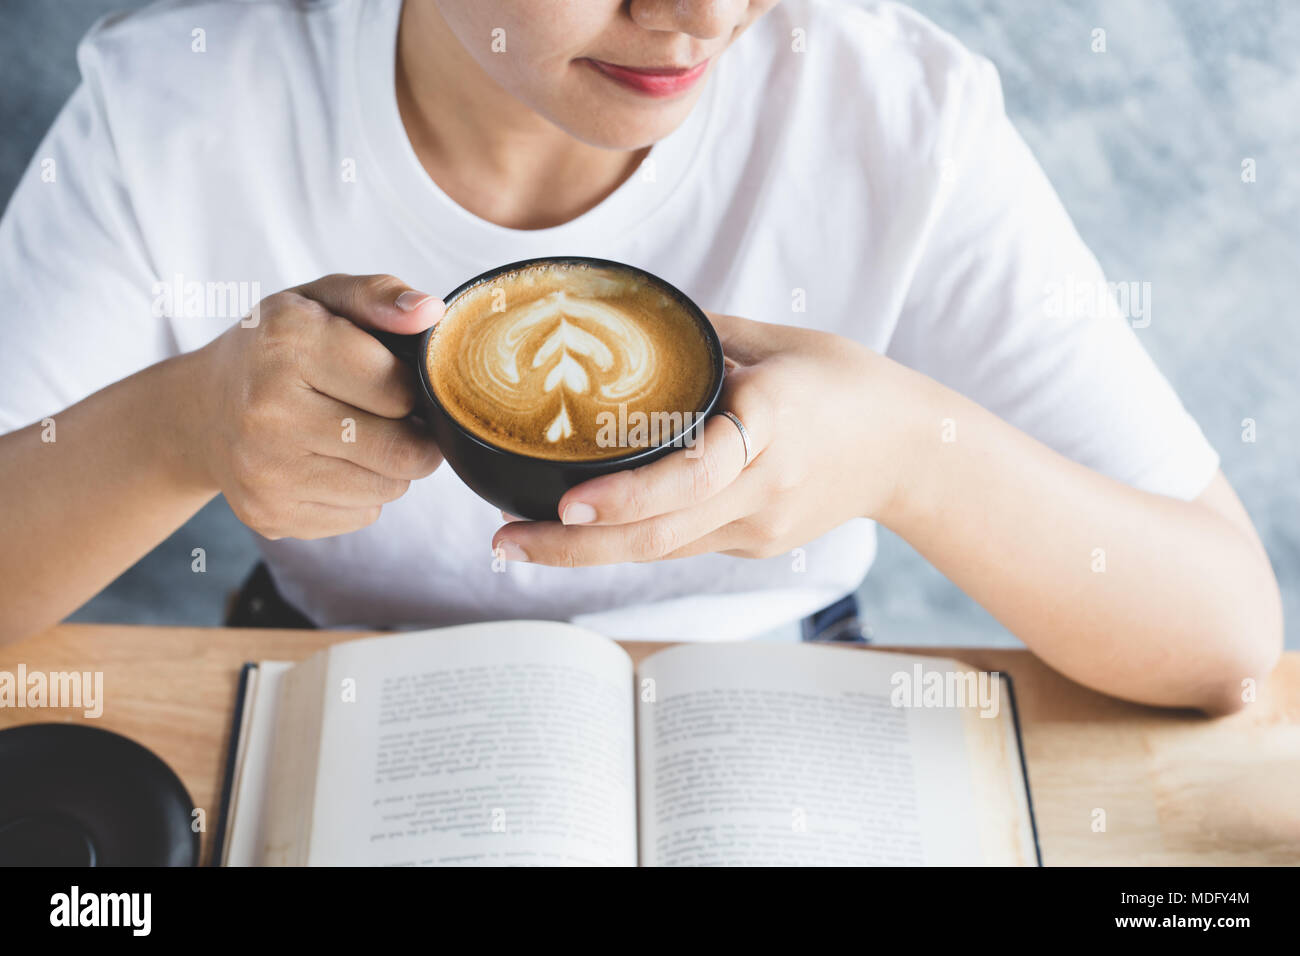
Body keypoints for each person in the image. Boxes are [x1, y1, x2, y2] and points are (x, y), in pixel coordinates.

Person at [0, 0, 1281, 712]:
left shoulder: (896, 113)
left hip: (785, 699)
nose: (703, 14)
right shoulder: (179, 107)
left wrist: (907, 453)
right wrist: (179, 426)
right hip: (326, 686)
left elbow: (1222, 634)